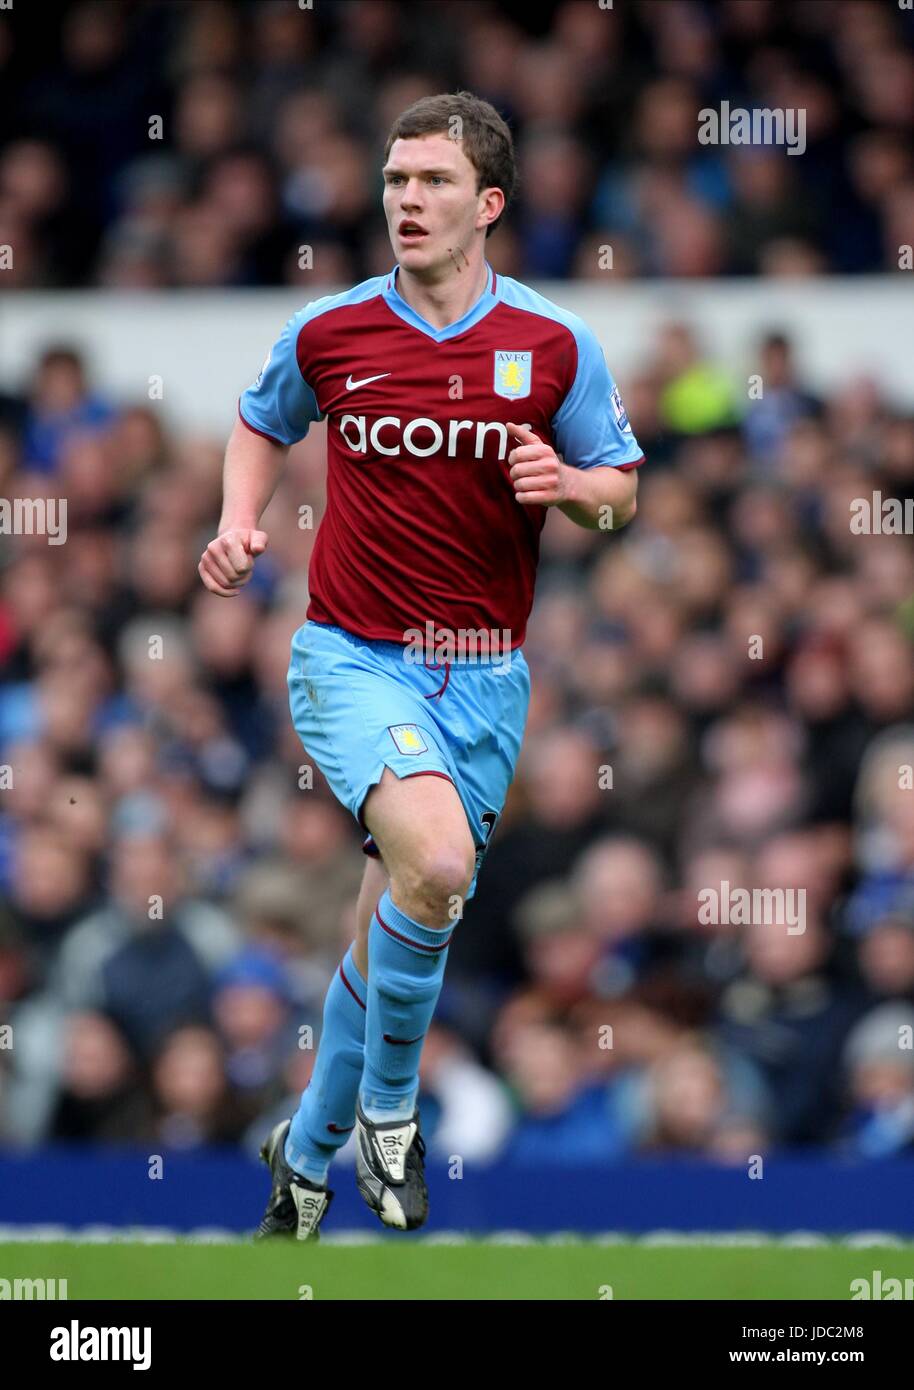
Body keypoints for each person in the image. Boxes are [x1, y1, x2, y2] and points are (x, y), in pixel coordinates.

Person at [198, 90, 643, 1239]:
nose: (406, 199)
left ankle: (300, 1161)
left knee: (392, 921)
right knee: (437, 862)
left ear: (487, 203)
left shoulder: (550, 344)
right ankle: (390, 1114)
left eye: (432, 182)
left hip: (487, 679)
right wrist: (241, 521)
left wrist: (573, 491)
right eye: (396, 180)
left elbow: (620, 490)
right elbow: (259, 420)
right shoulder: (332, 331)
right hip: (352, 656)